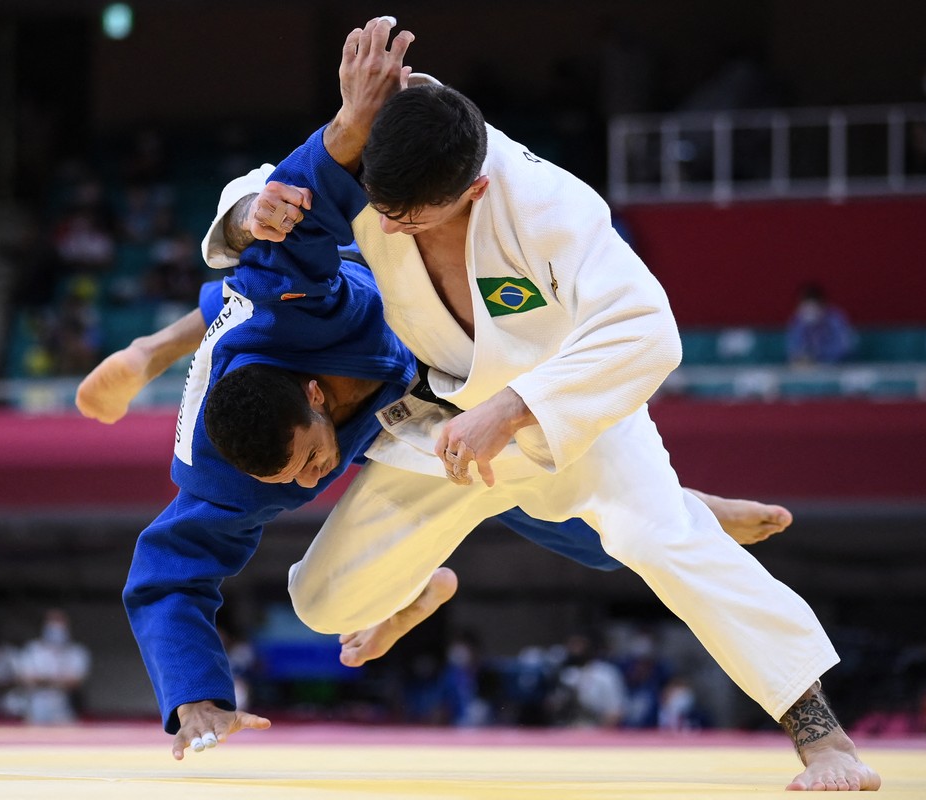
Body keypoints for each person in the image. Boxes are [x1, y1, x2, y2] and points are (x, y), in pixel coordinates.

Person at [200, 18, 878, 790]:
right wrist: (253, 209)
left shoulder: (548, 205)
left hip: (573, 421)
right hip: (443, 429)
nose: (386, 227)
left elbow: (649, 330)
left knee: (662, 545)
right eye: (381, 208)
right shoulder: (379, 157)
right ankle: (418, 584)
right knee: (324, 603)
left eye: (409, 218)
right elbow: (264, 188)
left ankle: (825, 740)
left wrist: (518, 405)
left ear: (474, 188)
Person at [98, 109, 787, 762]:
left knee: (522, 474)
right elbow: (165, 575)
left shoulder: (292, 301)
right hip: (374, 394)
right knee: (479, 480)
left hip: (404, 333)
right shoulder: (225, 479)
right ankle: (415, 586)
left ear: (313, 396)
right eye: (293, 484)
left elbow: (272, 236)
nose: (313, 483)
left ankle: (673, 505)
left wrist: (344, 127)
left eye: (311, 459)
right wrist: (196, 699)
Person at [17, 609, 91, 725]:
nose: (56, 627)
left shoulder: (77, 652)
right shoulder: (32, 649)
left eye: (60, 622)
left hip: (64, 710)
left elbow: (75, 682)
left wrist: (43, 680)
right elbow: (26, 679)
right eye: (52, 622)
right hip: (36, 710)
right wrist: (58, 681)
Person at [785, 283, 855, 365]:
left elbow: (844, 347)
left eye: (812, 307)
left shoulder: (835, 319)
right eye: (805, 306)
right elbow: (793, 347)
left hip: (838, 366)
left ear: (822, 305)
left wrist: (817, 358)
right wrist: (799, 357)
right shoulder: (798, 320)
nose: (809, 311)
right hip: (809, 369)